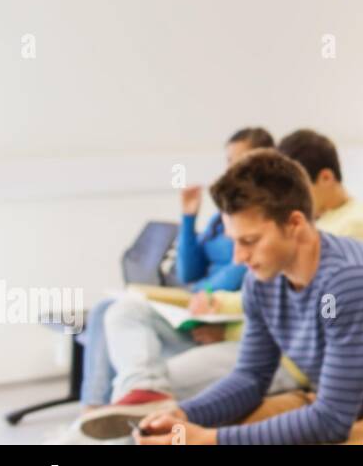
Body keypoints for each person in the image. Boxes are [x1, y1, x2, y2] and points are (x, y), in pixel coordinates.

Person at [130, 149, 363, 445]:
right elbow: (251, 376)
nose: (239, 257)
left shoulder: (350, 280)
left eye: (249, 241)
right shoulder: (262, 282)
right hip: (332, 408)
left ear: (295, 224)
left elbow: (331, 422)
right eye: (235, 242)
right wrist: (183, 415)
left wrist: (208, 439)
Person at [77, 127, 272, 418]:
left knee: (129, 350)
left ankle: (109, 416)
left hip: (214, 308)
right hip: (196, 301)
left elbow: (241, 269)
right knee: (108, 310)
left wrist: (203, 294)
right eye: (229, 161)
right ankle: (93, 410)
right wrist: (189, 216)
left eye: (239, 160)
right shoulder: (223, 216)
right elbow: (188, 270)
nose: (232, 169)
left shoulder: (263, 215)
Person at [277, 129, 363, 250]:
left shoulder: (358, 224)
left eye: (299, 190)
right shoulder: (320, 219)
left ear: (326, 178)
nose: (293, 199)